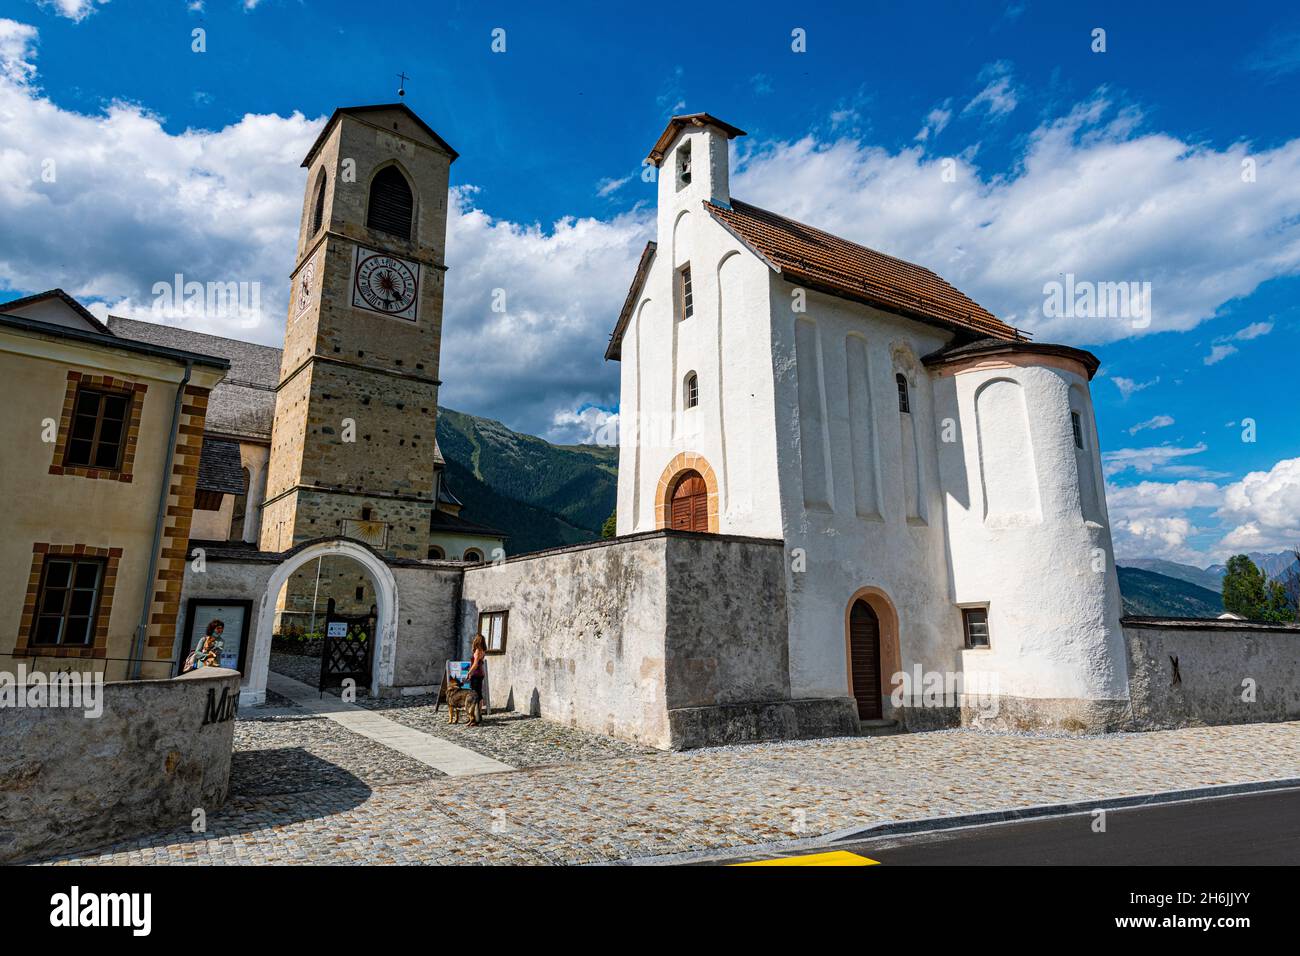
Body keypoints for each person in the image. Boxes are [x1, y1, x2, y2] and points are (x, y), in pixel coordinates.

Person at [466, 633, 487, 726]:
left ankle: (476, 717)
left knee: (475, 695)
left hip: (476, 674)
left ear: (477, 641)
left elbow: (475, 665)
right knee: (479, 695)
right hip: (480, 674)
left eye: (475, 639)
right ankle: (479, 716)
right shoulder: (483, 650)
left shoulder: (478, 651)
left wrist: (469, 672)